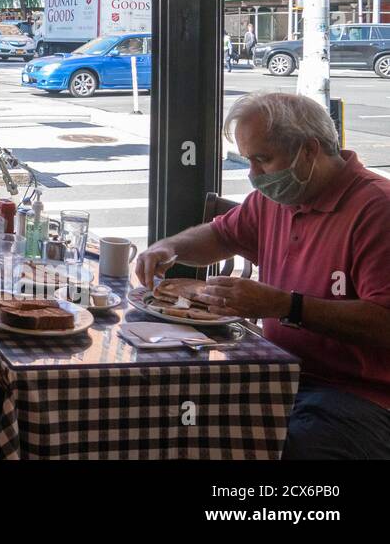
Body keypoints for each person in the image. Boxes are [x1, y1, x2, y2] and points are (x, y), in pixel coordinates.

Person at [136, 92, 390, 459]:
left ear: (309, 151)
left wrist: (285, 306)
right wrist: (169, 247)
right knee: (170, 414)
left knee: (258, 448)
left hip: (357, 396)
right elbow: (222, 235)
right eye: (248, 161)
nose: (254, 176)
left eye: (263, 160)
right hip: (278, 371)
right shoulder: (278, 199)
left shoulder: (376, 210)